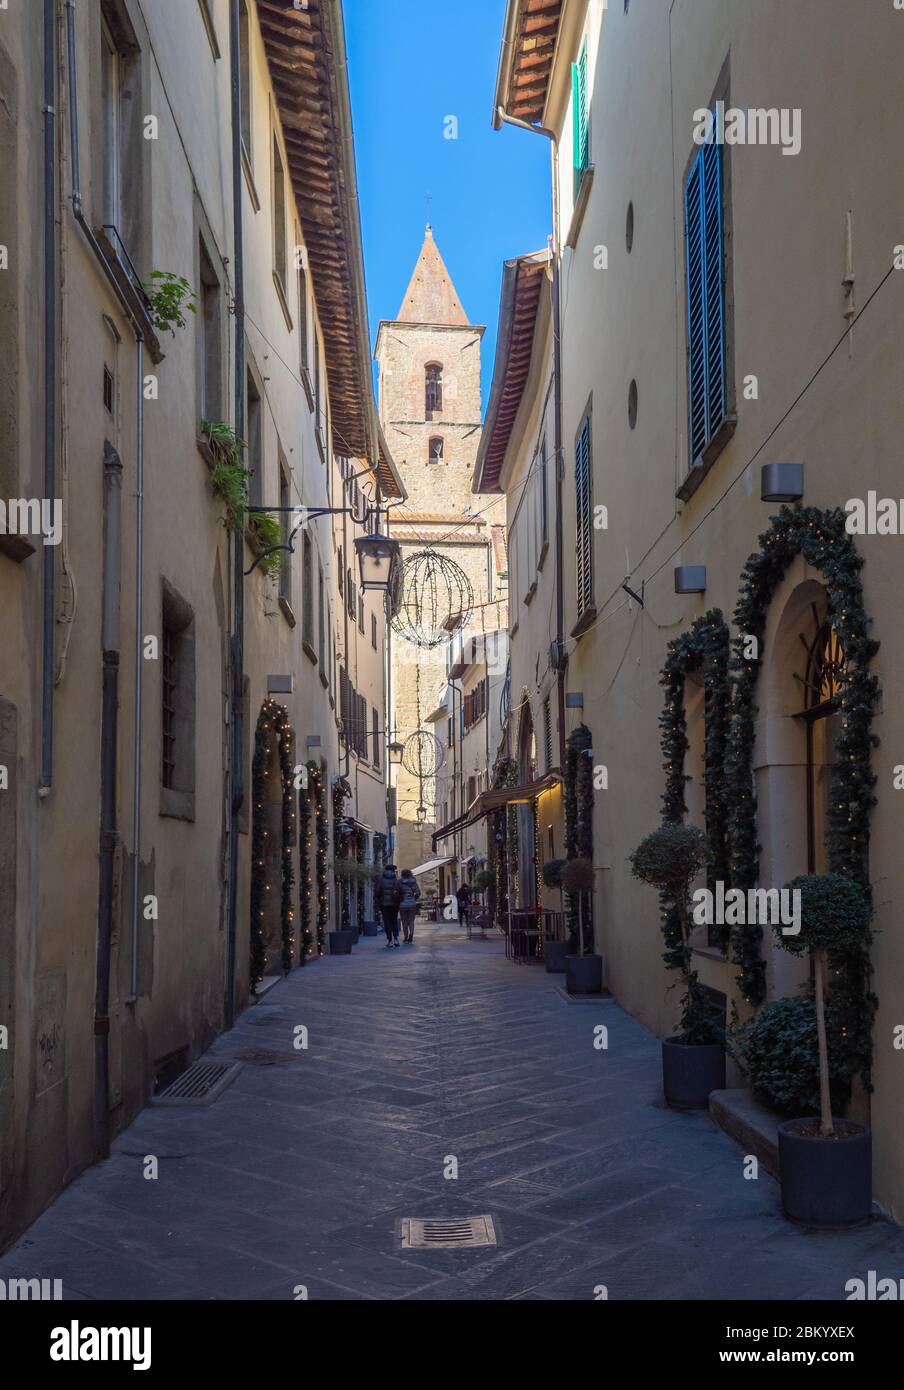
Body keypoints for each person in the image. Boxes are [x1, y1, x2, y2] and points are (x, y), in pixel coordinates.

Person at [378, 863, 402, 947]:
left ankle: (389, 940)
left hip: (384, 903)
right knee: (394, 921)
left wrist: (379, 900)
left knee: (387, 922)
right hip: (394, 903)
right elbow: (400, 890)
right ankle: (396, 939)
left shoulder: (381, 879)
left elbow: (378, 891)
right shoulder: (396, 879)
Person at [398, 868, 421, 943]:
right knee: (411, 921)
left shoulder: (400, 882)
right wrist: (414, 898)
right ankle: (411, 936)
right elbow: (418, 893)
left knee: (404, 921)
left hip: (402, 904)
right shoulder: (413, 882)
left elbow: (396, 892)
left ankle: (405, 937)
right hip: (412, 904)